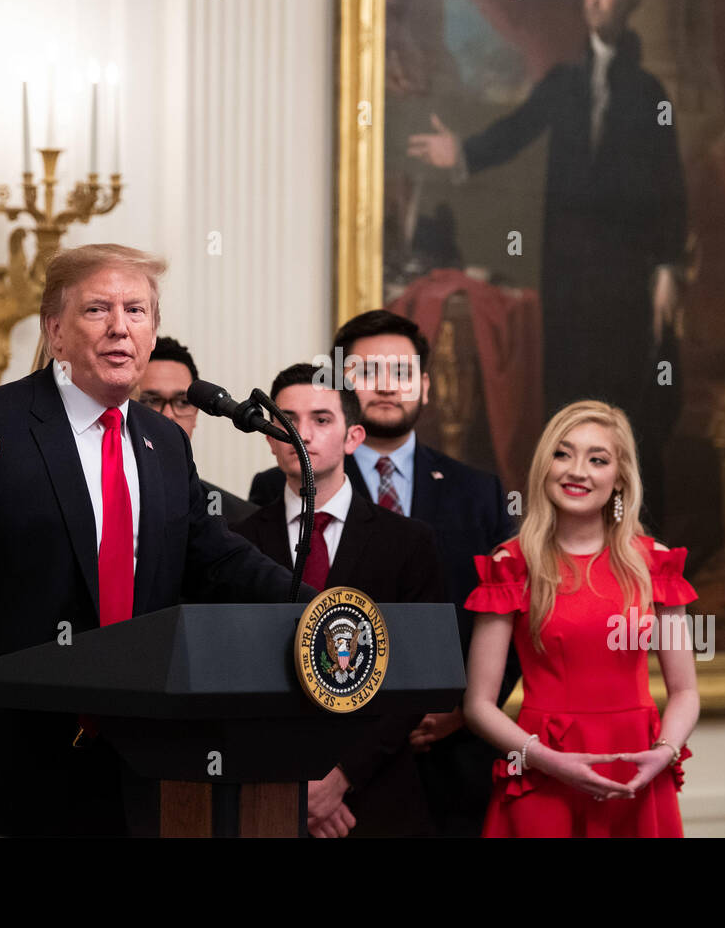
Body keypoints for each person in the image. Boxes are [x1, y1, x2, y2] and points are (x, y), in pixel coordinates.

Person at [0, 243, 313, 837]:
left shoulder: (164, 444)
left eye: (137, 311)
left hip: (109, 766)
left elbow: (218, 557)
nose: (121, 327)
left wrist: (323, 609)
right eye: (98, 310)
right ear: (56, 331)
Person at [407, 0, 686, 530]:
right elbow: (516, 130)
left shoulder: (650, 95)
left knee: (628, 410)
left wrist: (666, 270)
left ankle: (637, 543)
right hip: (568, 279)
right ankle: (568, 542)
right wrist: (462, 151)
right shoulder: (564, 82)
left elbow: (670, 187)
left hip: (628, 283)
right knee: (568, 407)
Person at [247, 309, 517, 836]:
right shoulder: (275, 485)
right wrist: (324, 778)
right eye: (368, 371)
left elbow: (506, 610)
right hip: (305, 768)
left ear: (426, 385)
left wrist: (468, 706)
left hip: (448, 759)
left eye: (402, 371)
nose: (388, 386)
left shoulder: (478, 490)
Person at [463, 400, 700, 837]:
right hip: (542, 774)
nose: (578, 470)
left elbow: (685, 691)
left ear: (619, 478)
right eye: (563, 453)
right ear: (544, 465)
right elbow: (478, 705)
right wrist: (549, 761)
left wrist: (663, 753)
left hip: (635, 774)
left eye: (598, 459)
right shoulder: (510, 566)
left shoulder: (655, 565)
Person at [232, 363, 443, 838]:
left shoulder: (409, 542)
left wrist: (342, 776)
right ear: (268, 437)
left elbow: (420, 678)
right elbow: (232, 672)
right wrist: (296, 783)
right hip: (268, 794)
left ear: (353, 437)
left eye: (321, 419)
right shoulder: (235, 543)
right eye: (285, 421)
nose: (301, 434)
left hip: (380, 795)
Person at [136, 335, 256, 524]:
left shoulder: (238, 518)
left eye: (183, 402)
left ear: (196, 414)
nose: (169, 415)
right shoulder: (102, 499)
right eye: (151, 400)